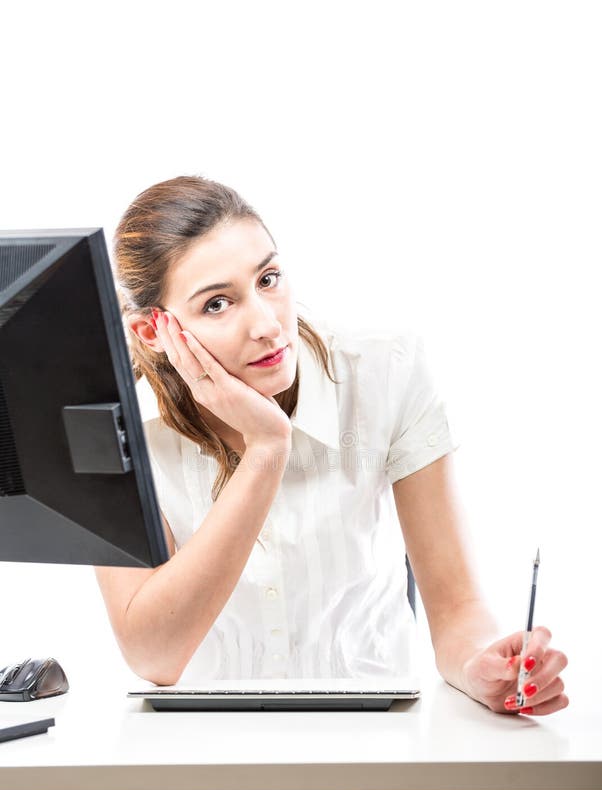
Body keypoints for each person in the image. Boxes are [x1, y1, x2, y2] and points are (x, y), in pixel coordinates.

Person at [94, 174, 569, 717]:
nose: (267, 325)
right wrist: (266, 448)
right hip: (204, 742)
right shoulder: (118, 430)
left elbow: (458, 609)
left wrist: (481, 665)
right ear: (152, 332)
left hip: (372, 734)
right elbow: (154, 655)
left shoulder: (384, 375)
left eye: (268, 279)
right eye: (218, 304)